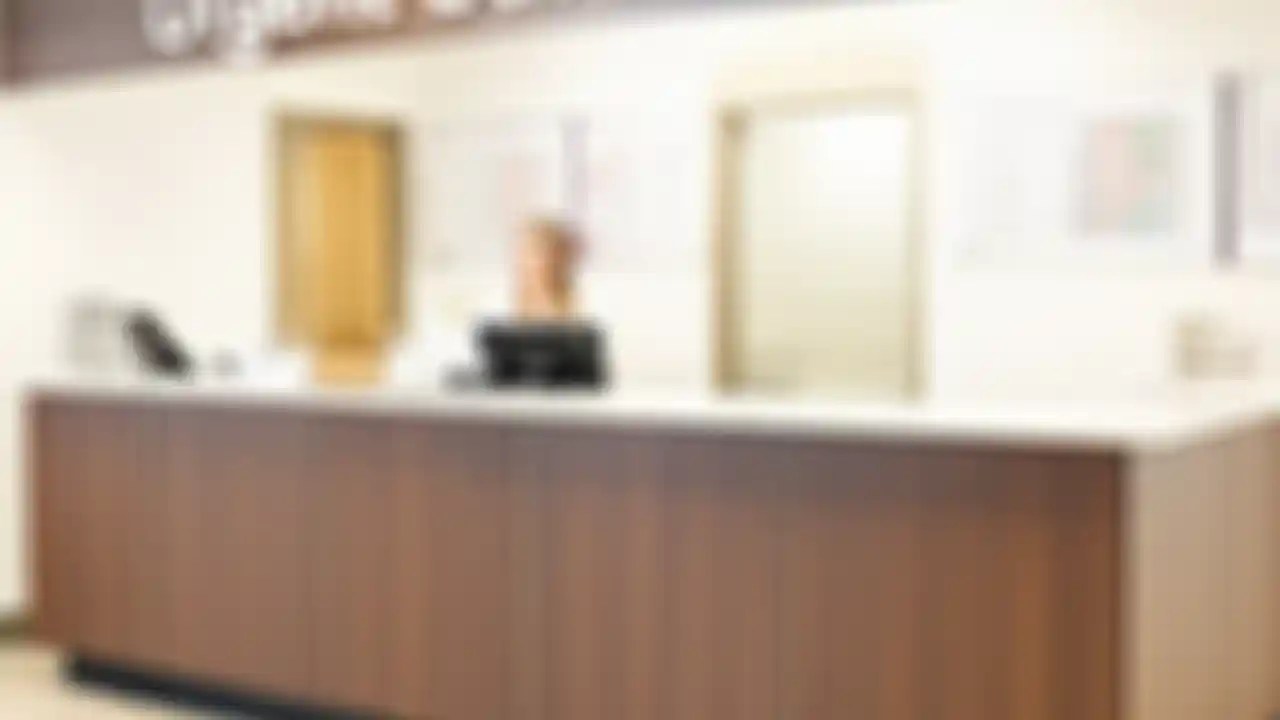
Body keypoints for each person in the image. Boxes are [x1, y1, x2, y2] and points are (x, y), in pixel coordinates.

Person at [514, 217, 583, 320]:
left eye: (551, 254)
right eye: (535, 254)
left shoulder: (578, 309)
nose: (543, 262)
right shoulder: (510, 304)